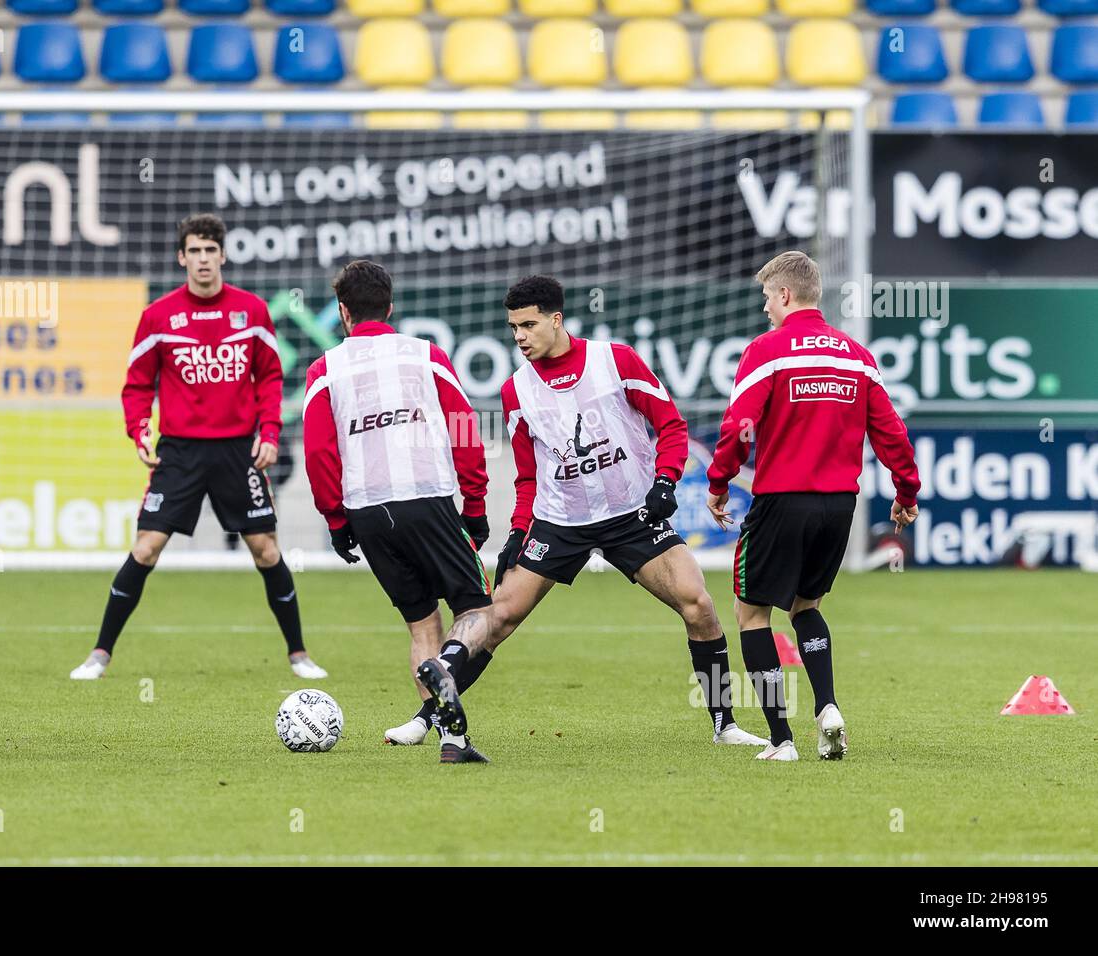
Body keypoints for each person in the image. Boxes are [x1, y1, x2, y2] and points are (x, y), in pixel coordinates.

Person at [425, 275, 768, 752]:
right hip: (560, 520)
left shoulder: (616, 361)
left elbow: (670, 426)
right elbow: (528, 477)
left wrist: (666, 481)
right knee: (499, 616)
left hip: (630, 514)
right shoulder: (515, 392)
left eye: (528, 324)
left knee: (699, 605)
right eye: (512, 328)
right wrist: (516, 534)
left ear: (556, 319)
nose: (519, 336)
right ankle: (428, 715)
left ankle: (724, 724)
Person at [70, 214, 325, 681]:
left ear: (222, 255)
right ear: (181, 257)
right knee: (146, 547)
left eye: (211, 250)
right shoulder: (159, 316)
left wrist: (269, 433)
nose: (204, 259)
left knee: (266, 550)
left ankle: (299, 654)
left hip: (236, 451)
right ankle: (99, 654)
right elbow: (137, 385)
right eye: (195, 250)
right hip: (180, 453)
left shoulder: (251, 311)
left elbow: (269, 377)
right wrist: (139, 429)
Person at [706, 251, 921, 761]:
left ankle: (782, 739)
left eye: (767, 298)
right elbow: (891, 431)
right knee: (807, 607)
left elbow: (740, 424)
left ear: (784, 294)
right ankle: (827, 707)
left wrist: (719, 480)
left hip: (782, 499)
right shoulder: (857, 355)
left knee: (751, 612)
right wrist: (906, 492)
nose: (765, 309)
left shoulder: (768, 350)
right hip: (839, 505)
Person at [302, 260, 493, 763]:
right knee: (477, 611)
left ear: (343, 312)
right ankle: (448, 700)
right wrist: (475, 503)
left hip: (367, 511)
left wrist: (336, 520)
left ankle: (453, 739)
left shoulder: (325, 368)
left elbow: (319, 452)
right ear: (390, 306)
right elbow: (464, 426)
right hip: (426, 497)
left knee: (421, 624)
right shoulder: (425, 355)